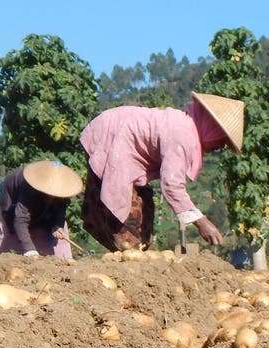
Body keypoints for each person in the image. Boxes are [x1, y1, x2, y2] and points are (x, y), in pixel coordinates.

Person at [79, 92, 244, 252]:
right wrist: (201, 222)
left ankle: (140, 253)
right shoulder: (183, 135)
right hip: (110, 136)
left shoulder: (185, 128)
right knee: (124, 212)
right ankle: (131, 257)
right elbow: (172, 186)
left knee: (144, 204)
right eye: (222, 139)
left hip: (119, 135)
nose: (221, 146)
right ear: (211, 127)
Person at [0, 160, 83, 259]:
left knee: (55, 241)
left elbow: (60, 209)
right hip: (12, 204)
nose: (52, 197)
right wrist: (30, 250)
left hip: (40, 209)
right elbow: (20, 219)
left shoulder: (63, 189)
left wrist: (57, 226)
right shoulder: (29, 187)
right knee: (13, 242)